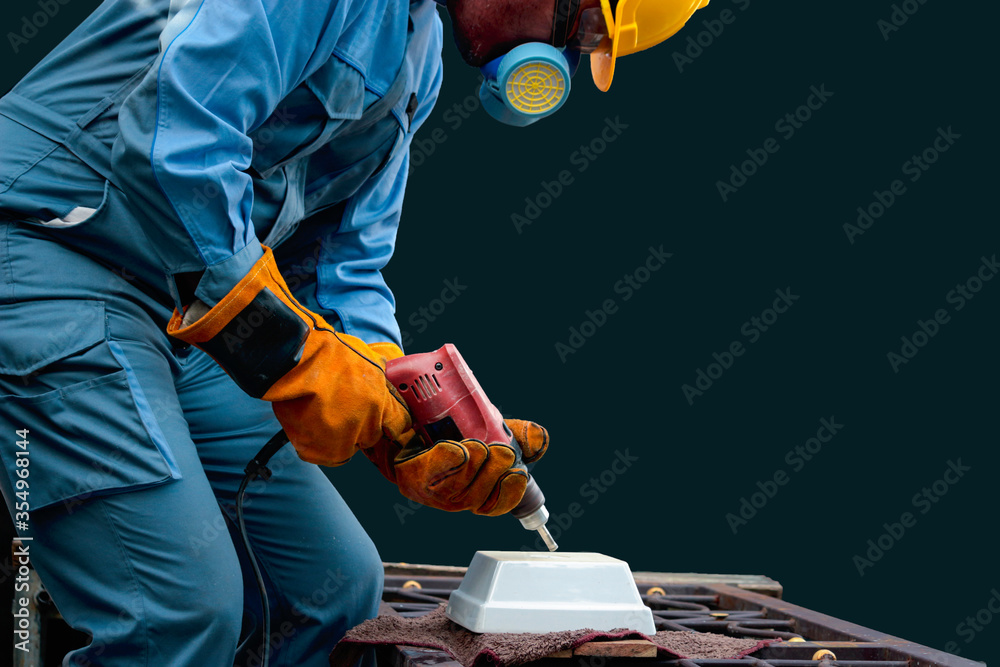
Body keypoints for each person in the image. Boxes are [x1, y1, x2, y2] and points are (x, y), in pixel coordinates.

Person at [0, 0, 707, 664]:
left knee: (331, 590)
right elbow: (174, 145)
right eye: (581, 31)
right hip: (53, 252)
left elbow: (343, 262)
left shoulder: (415, 49)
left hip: (183, 305)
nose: (562, 59)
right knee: (178, 609)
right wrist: (290, 353)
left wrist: (403, 411)